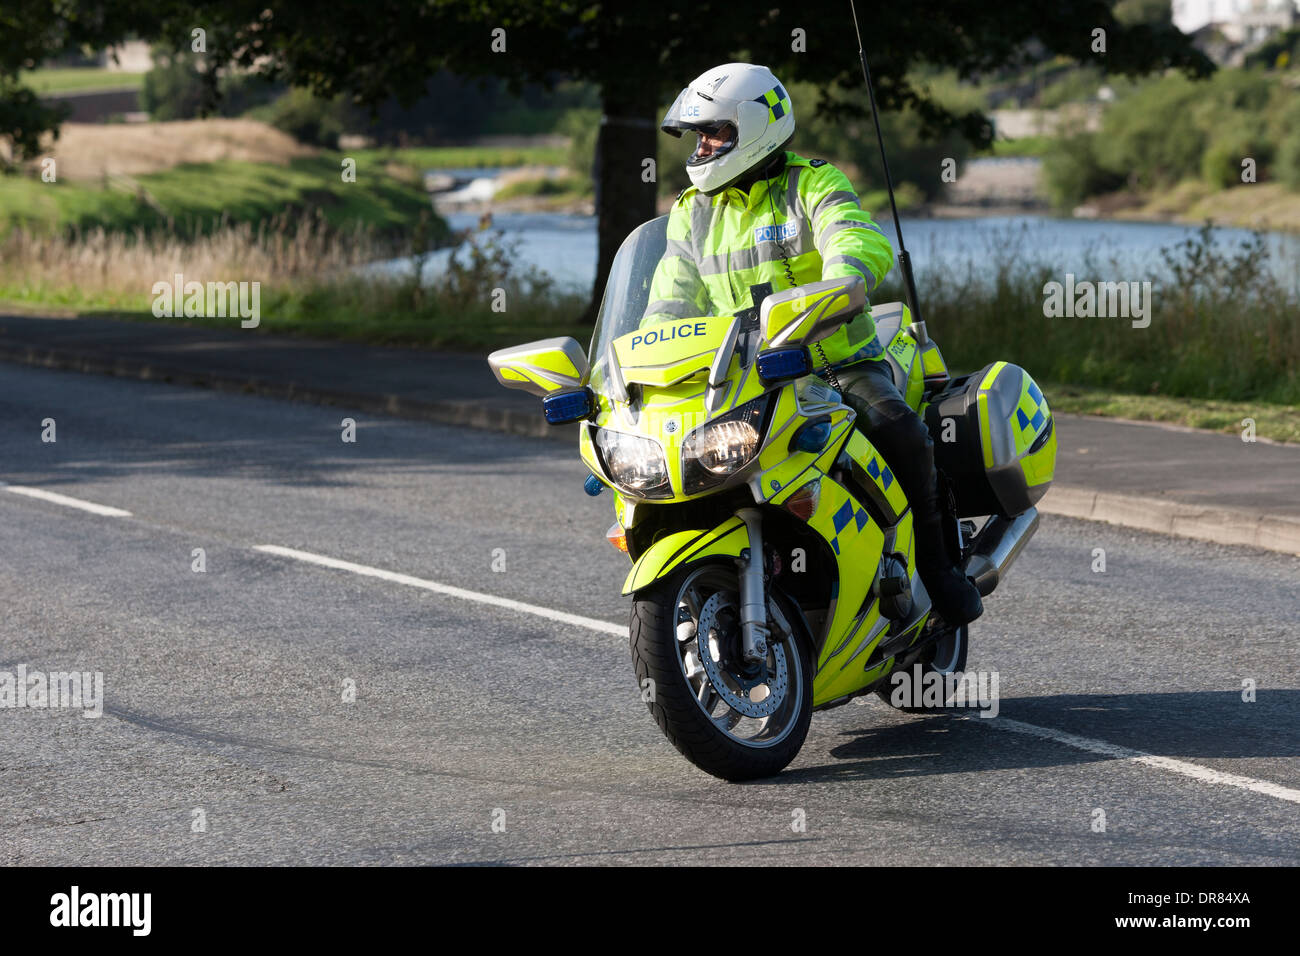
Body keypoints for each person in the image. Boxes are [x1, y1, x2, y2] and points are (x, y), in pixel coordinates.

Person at [647, 62, 982, 625]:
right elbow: (669, 300)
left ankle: (938, 568)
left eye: (715, 133)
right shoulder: (691, 213)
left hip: (833, 364)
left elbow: (853, 235)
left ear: (756, 126)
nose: (702, 147)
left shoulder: (812, 182)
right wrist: (642, 353)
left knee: (897, 428)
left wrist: (845, 276)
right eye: (698, 136)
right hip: (741, 377)